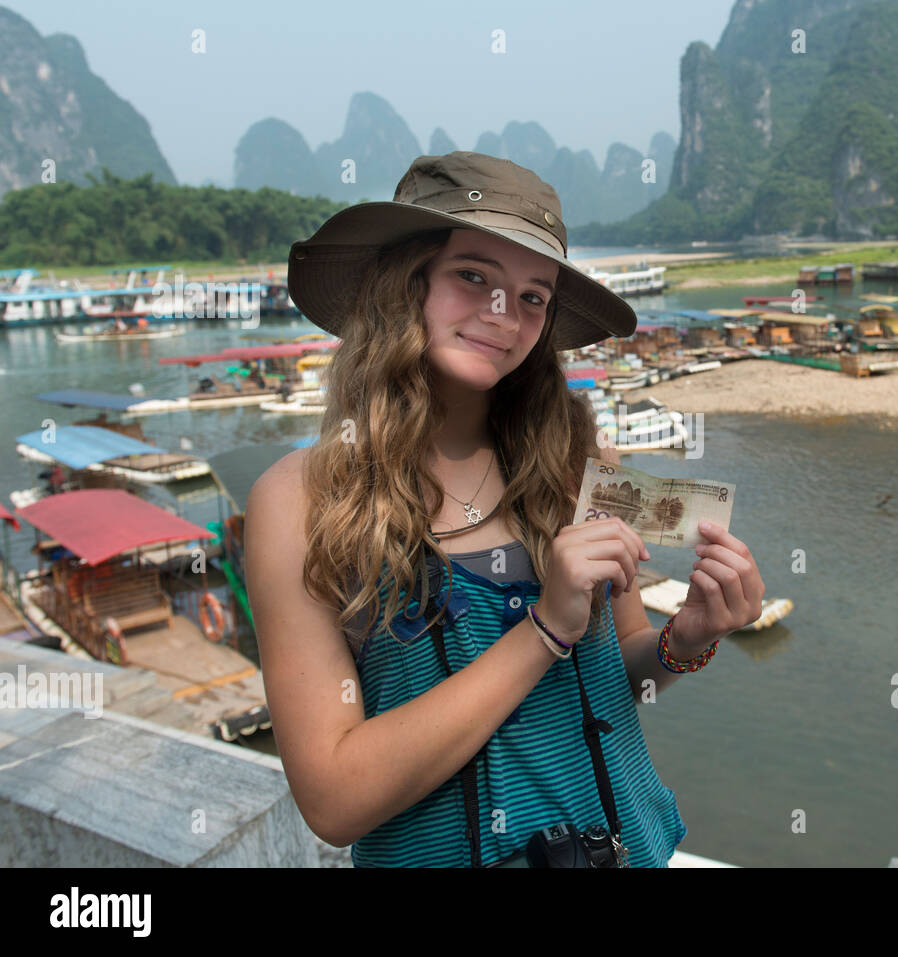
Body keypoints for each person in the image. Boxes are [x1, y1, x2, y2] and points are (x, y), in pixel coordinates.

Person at [245, 153, 765, 867]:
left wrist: (690, 637)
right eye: (473, 276)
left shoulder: (580, 459)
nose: (503, 315)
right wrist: (544, 627)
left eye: (532, 296)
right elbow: (334, 800)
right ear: (407, 281)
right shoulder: (302, 501)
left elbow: (627, 673)